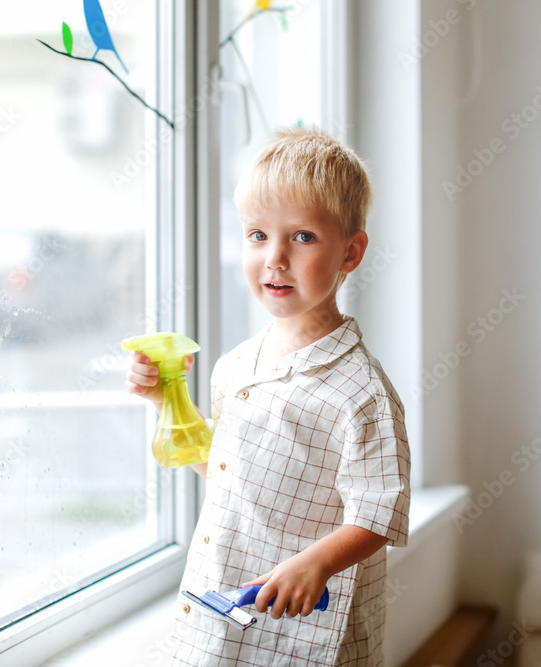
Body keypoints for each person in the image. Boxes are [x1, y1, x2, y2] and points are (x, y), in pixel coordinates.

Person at [125, 126, 410, 666]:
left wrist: (317, 563)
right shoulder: (236, 366)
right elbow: (229, 472)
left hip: (309, 638)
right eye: (258, 235)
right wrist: (167, 401)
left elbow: (381, 511)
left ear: (351, 252)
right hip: (223, 610)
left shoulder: (362, 393)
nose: (275, 257)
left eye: (302, 237)